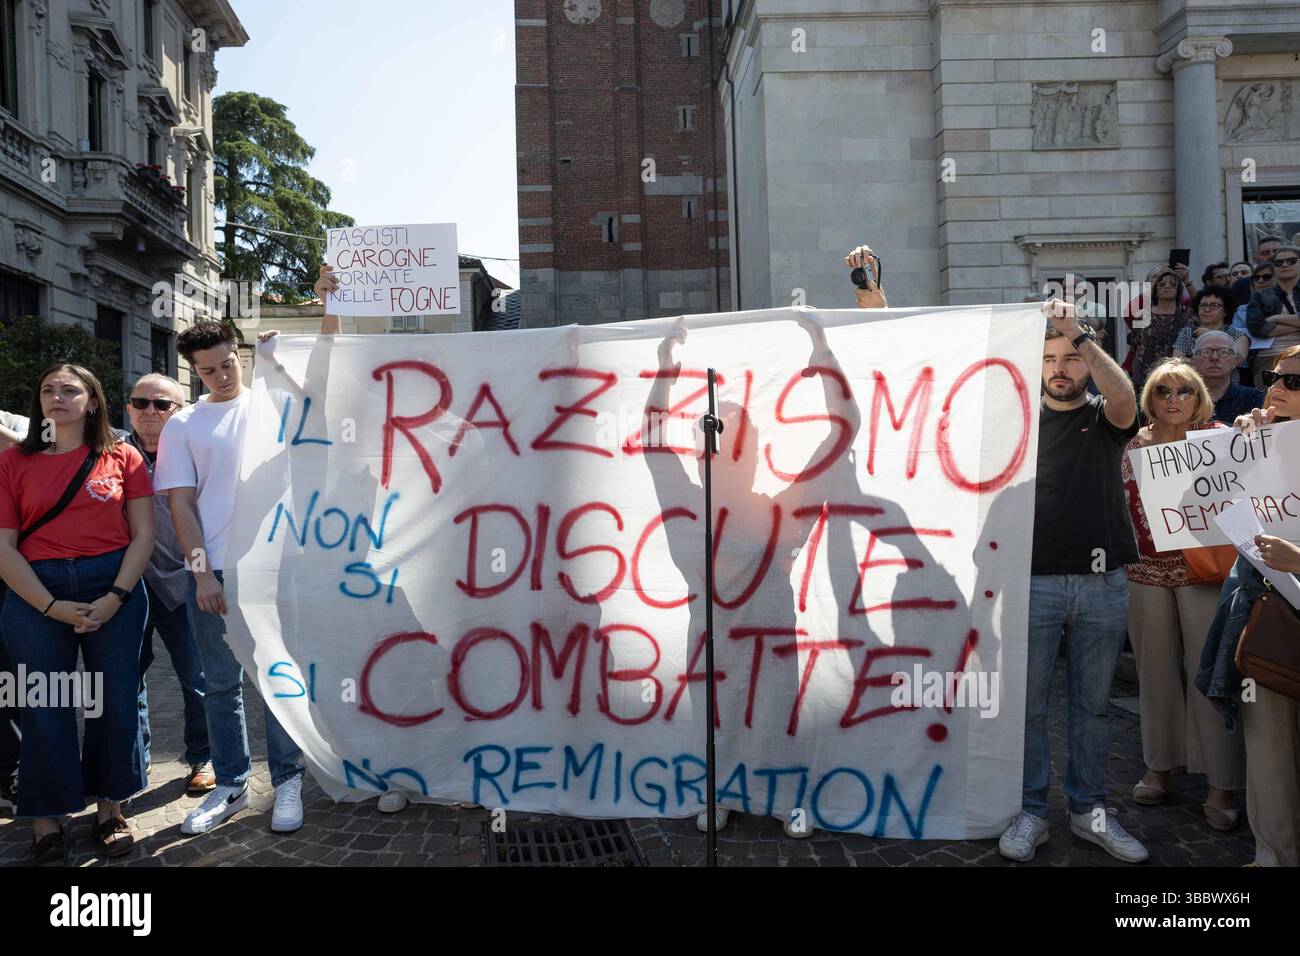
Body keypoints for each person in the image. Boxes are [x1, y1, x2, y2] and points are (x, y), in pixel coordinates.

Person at [156, 300, 338, 837]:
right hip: (213, 571)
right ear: (193, 372)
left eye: (226, 363)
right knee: (219, 682)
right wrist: (200, 573)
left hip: (277, 565)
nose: (219, 374)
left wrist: (330, 310)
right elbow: (181, 506)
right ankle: (231, 783)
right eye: (207, 370)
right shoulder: (183, 424)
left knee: (279, 676)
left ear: (238, 353)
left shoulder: (272, 401)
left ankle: (286, 781)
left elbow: (327, 375)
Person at [999, 299, 1149, 863]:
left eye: (1072, 357)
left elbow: (1126, 398)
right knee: (1030, 707)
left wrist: (1077, 331)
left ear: (1089, 359)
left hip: (1101, 585)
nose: (1061, 366)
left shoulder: (1107, 419)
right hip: (1031, 583)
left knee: (1092, 706)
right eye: (1049, 357)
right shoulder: (1013, 423)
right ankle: (1031, 810)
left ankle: (1090, 811)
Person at [0, 364, 154, 865]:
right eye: (48, 389)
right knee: (43, 705)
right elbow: (3, 547)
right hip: (34, 592)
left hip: (113, 586)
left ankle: (110, 808)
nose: (57, 397)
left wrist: (115, 597)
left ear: (92, 401)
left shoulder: (123, 455)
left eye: (70, 389)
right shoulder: (13, 463)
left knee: (114, 701)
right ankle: (46, 818)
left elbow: (143, 537)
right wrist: (49, 605)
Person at [1119, 358, 1244, 831]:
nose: (1174, 399)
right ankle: (1160, 765)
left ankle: (1222, 782)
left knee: (1208, 673)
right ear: (1149, 398)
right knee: (1154, 673)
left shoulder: (1220, 439)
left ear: (1200, 397)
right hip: (1144, 570)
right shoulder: (1133, 445)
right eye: (1163, 391)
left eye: (1184, 391)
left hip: (1203, 573)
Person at [1197, 344, 1300, 866]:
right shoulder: (1259, 441)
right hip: (1268, 620)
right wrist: (1245, 451)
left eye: (1294, 382)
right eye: (1274, 378)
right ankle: (1272, 854)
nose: (1277, 389)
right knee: (1270, 751)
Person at [124, 373, 213, 794]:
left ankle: (203, 758)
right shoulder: (112, 453)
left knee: (197, 677)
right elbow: (27, 432)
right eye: (141, 403)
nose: (149, 412)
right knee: (125, 678)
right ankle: (133, 764)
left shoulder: (197, 452)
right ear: (128, 408)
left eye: (162, 404)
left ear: (181, 412)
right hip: (129, 586)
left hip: (183, 581)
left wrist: (202, 575)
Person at [1124, 266, 1195, 391]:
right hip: (1143, 377)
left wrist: (1187, 281)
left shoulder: (1186, 313)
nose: (1167, 286)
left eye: (1173, 284)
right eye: (1161, 284)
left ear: (1178, 289)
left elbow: (1200, 302)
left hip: (1174, 375)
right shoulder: (1142, 314)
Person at [1246, 243, 1300, 383]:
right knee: (1268, 401)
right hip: (1270, 356)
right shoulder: (1261, 296)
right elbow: (1257, 327)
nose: (1285, 265)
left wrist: (1277, 318)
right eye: (1278, 262)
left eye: (1291, 261)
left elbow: (1266, 325)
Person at [1173, 286, 1249, 378]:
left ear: (1225, 311)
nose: (1207, 309)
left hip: (1227, 387)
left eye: (1214, 306)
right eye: (1203, 305)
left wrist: (1213, 336)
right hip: (1194, 385)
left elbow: (1237, 360)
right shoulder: (1188, 332)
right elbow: (1176, 360)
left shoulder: (1238, 335)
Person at [1191, 330, 1265, 424]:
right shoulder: (1181, 398)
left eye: (1224, 352)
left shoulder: (1253, 397)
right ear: (1193, 362)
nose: (1214, 357)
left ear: (1234, 362)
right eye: (1206, 352)